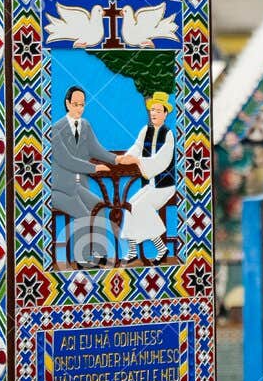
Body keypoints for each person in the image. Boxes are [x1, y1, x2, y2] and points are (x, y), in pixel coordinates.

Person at [47, 85, 118, 264]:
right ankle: (83, 259)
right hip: (58, 190)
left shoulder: (85, 125)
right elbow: (67, 160)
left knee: (99, 206)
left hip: (78, 187)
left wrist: (116, 159)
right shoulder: (55, 130)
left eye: (82, 105)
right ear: (67, 104)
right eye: (75, 104)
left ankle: (100, 254)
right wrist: (94, 168)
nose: (79, 109)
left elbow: (97, 150)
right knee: (84, 216)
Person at [119, 92, 178, 262]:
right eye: (152, 110)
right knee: (129, 205)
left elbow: (161, 161)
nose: (154, 113)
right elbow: (137, 147)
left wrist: (138, 161)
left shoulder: (168, 134)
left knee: (142, 207)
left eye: (158, 110)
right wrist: (127, 157)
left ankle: (161, 248)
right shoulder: (145, 130)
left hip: (165, 186)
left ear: (165, 114)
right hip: (150, 185)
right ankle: (132, 250)